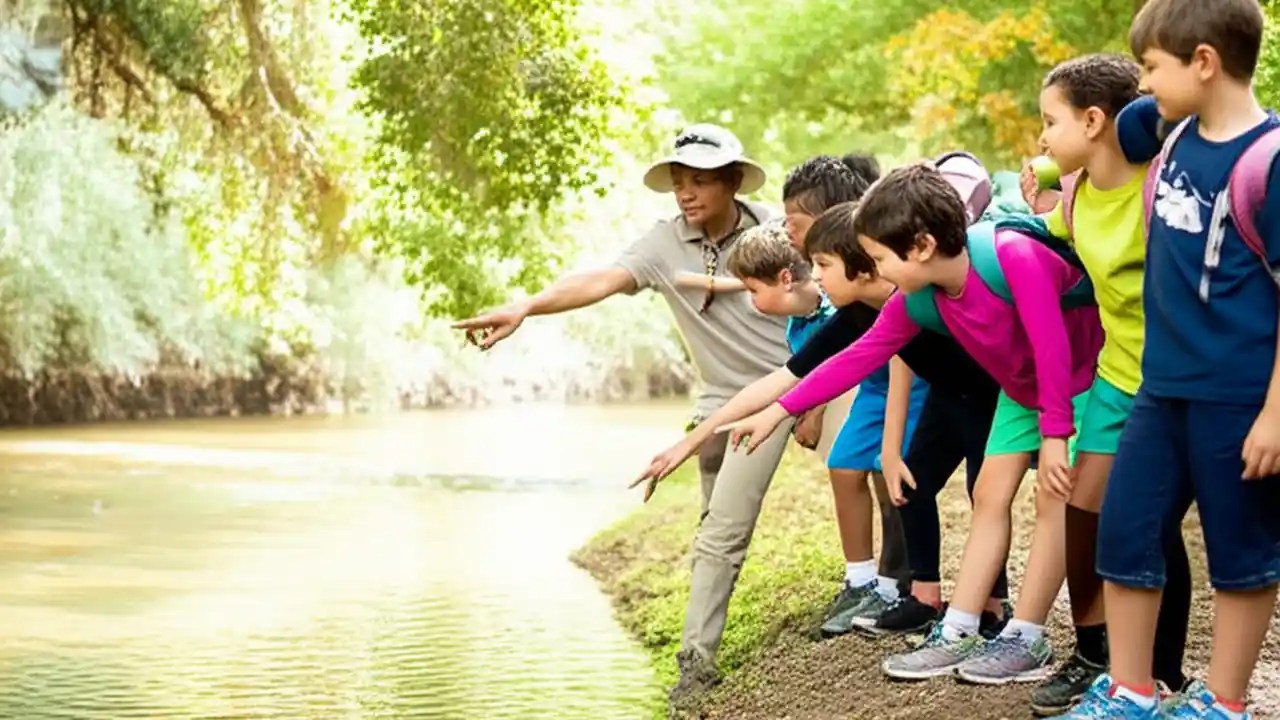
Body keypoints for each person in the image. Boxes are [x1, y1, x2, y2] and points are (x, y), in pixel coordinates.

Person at [453, 124, 797, 706]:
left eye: (700, 182)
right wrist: (527, 307)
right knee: (719, 525)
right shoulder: (665, 244)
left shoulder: (777, 230)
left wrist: (809, 397)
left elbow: (830, 303)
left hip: (791, 381)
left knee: (836, 477)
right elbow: (601, 280)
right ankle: (697, 657)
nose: (686, 194)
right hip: (720, 400)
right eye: (678, 183)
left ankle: (874, 591)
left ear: (733, 180)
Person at [720, 163, 1105, 682]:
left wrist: (1056, 436)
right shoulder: (916, 299)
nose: (877, 270)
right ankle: (960, 628)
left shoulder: (1013, 258)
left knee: (1052, 499)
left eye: (879, 258)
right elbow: (856, 357)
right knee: (990, 495)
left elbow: (1053, 347)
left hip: (1078, 381)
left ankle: (1026, 638)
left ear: (920, 245)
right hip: (1023, 391)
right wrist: (778, 410)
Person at [1054, 2, 1280, 718]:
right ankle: (1130, 689)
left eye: (1151, 68)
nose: (1141, 84)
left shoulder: (1267, 164)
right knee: (1125, 530)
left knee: (1240, 555)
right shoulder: (1162, 128)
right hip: (1160, 389)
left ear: (1204, 62)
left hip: (1238, 397)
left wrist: (1276, 414)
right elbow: (1102, 134)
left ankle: (1224, 701)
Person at [1008, 54, 1192, 716]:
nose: (1042, 137)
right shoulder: (1081, 196)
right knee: (1083, 513)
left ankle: (1163, 672)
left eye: (1049, 123)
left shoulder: (1159, 188)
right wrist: (1043, 186)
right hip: (1119, 377)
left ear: (1093, 120)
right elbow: (1052, 212)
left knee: (1150, 522)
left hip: (1177, 377)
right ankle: (1093, 651)